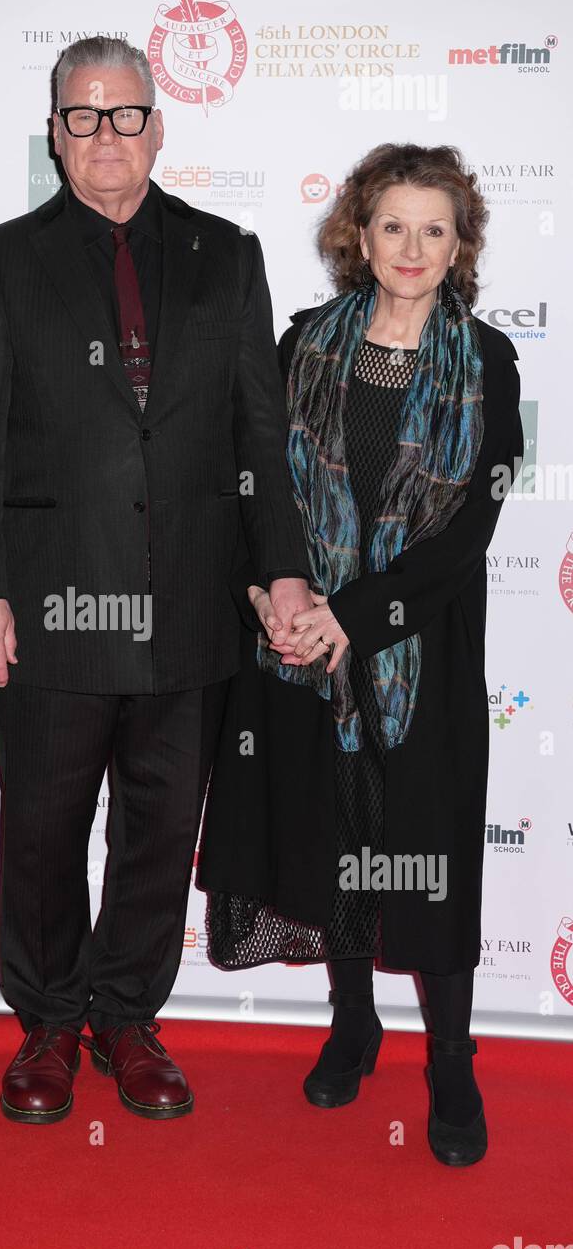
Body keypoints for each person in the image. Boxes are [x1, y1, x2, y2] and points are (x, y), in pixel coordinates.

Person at [0, 35, 311, 1124]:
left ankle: (126, 1016)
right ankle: (50, 1022)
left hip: (191, 604)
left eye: (124, 114)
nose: (105, 136)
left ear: (158, 123)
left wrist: (283, 573)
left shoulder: (228, 253)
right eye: (82, 117)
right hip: (47, 608)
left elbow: (261, 431)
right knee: (44, 832)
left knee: (158, 830)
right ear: (55, 134)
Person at [197, 143, 524, 1166]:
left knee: (426, 861)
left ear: (460, 241)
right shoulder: (305, 344)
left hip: (419, 651)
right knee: (330, 836)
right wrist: (272, 592)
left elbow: (472, 525)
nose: (413, 246)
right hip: (301, 653)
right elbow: (258, 485)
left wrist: (360, 614)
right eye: (394, 225)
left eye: (436, 227)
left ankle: (453, 1060)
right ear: (361, 235)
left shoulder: (492, 361)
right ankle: (352, 1024)